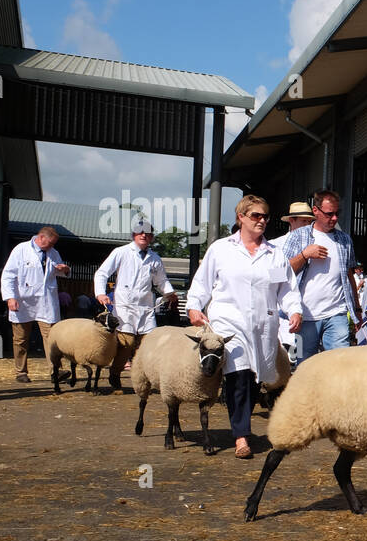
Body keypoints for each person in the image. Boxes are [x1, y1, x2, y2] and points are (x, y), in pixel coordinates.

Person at [187, 195, 302, 459]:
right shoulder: (221, 249)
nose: (261, 221)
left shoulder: (274, 255)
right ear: (241, 217)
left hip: (263, 324)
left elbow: (286, 288)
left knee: (253, 378)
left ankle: (241, 425)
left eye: (265, 216)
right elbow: (201, 283)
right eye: (256, 216)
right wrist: (194, 307)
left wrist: (294, 310)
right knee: (237, 375)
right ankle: (241, 436)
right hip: (229, 322)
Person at [94, 216, 177, 390]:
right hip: (125, 306)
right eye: (139, 233)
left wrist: (170, 294)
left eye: (147, 233)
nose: (143, 236)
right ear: (133, 235)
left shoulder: (155, 258)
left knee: (149, 343)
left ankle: (146, 377)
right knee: (127, 343)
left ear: (151, 237)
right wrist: (101, 293)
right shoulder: (121, 252)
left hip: (146, 307)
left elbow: (161, 281)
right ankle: (115, 374)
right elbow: (102, 273)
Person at [280, 189, 361, 363]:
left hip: (337, 314)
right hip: (304, 316)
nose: (334, 218)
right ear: (315, 211)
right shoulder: (298, 237)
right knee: (303, 365)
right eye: (329, 214)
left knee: (340, 365)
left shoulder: (344, 240)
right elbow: (281, 273)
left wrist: (357, 308)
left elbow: (348, 275)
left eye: (337, 213)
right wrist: (305, 255)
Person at [1, 225, 70, 383]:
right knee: (21, 338)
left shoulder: (53, 253)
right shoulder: (21, 250)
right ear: (40, 238)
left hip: (46, 301)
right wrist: (10, 298)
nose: (52, 247)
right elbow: (8, 275)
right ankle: (21, 372)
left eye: (53, 244)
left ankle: (56, 371)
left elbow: (57, 271)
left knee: (51, 336)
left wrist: (64, 269)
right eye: (50, 243)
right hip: (23, 300)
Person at [270, 201, 313, 353]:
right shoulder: (275, 246)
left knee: (302, 358)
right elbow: (275, 277)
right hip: (282, 314)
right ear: (291, 221)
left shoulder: (318, 242)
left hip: (310, 312)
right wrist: (303, 256)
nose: (308, 225)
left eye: (310, 221)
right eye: (304, 221)